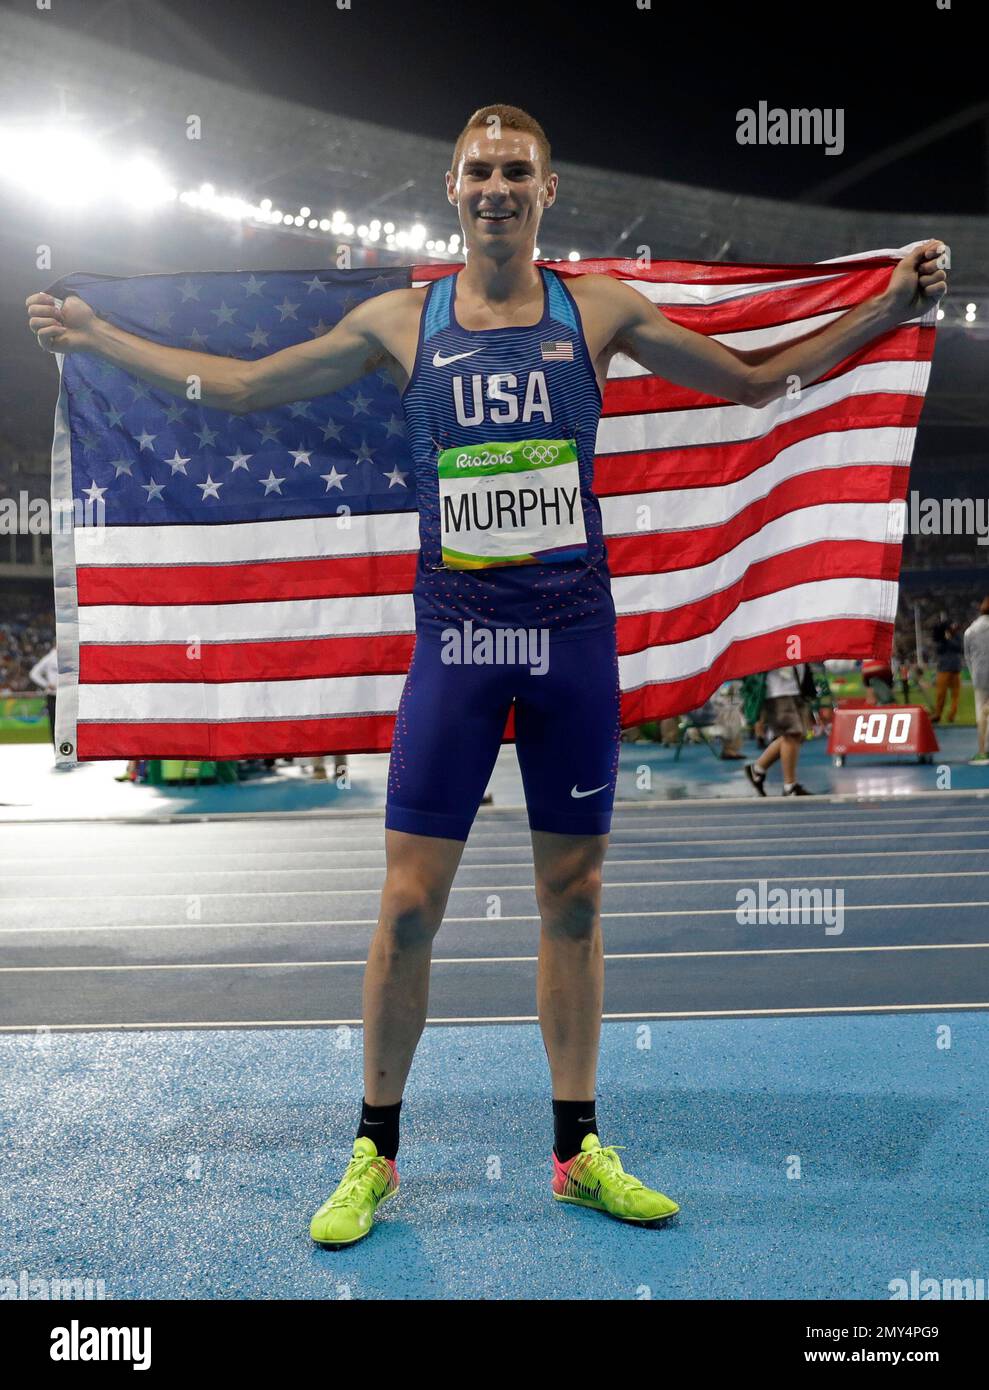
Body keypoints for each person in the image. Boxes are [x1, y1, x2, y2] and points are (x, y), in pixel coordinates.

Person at [27, 104, 948, 1246]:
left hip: (570, 639)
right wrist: (102, 339)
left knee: (574, 899)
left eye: (517, 170)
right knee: (408, 909)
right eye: (478, 171)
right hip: (457, 643)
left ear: (547, 189)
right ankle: (372, 1150)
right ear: (452, 192)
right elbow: (252, 386)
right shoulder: (400, 319)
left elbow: (754, 381)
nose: (496, 187)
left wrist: (886, 307)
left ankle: (573, 1151)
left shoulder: (594, 310)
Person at [744, 663, 817, 796]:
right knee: (791, 734)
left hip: (796, 686)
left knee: (798, 736)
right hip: (778, 689)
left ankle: (757, 769)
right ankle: (790, 786)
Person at [963, 597, 989, 765]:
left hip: (979, 677)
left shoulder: (970, 630)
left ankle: (982, 752)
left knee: (981, 713)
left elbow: (967, 657)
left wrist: (974, 676)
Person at [931, 619, 962, 723]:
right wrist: (944, 638)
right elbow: (938, 649)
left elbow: (959, 648)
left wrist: (949, 638)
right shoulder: (941, 638)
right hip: (944, 668)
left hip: (953, 668)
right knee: (941, 694)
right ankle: (938, 715)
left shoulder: (957, 637)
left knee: (955, 695)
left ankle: (951, 715)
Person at [28, 644, 58, 751]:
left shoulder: (68, 658)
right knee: (54, 724)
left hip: (65, 695)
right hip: (53, 695)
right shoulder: (50, 658)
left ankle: (68, 750)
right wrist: (46, 684)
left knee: (67, 724)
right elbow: (33, 673)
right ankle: (57, 750)